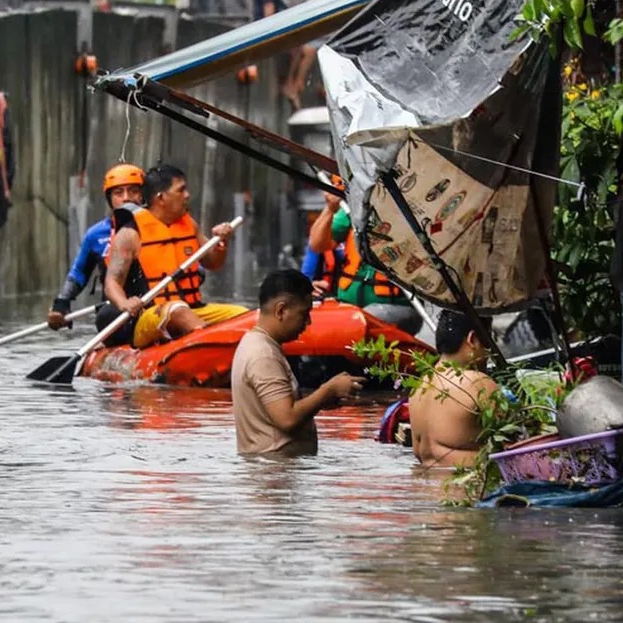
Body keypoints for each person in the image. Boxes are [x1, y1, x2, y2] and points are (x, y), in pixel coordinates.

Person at [101, 163, 248, 348]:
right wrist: (124, 303)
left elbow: (213, 263)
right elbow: (112, 283)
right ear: (161, 198)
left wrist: (221, 243)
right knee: (177, 311)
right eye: (181, 190)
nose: (187, 195)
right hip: (151, 314)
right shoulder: (130, 234)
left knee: (243, 314)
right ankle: (209, 344)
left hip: (194, 308)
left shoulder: (189, 225)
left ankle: (229, 345)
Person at [232, 270, 366, 456]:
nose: (308, 322)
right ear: (281, 310)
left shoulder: (256, 344)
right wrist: (327, 390)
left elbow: (277, 410)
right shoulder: (263, 355)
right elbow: (287, 419)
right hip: (275, 472)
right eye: (304, 313)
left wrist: (322, 401)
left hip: (274, 469)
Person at [307, 179, 423, 335]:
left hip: (398, 308)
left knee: (364, 318)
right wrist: (330, 209)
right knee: (317, 323)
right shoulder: (353, 210)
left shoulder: (410, 209)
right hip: (349, 308)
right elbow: (317, 244)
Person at [47, 164, 145, 329]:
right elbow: (79, 273)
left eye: (133, 191)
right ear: (109, 198)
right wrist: (61, 303)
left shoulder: (160, 226)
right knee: (108, 315)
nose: (126, 198)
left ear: (143, 195)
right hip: (116, 310)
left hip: (153, 304)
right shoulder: (96, 234)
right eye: (118, 193)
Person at [409, 309, 498, 469]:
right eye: (489, 343)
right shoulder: (478, 383)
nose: (489, 354)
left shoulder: (419, 385)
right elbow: (516, 438)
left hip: (425, 488)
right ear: (472, 339)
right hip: (467, 488)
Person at [252, 0, 317, 110]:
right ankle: (288, 85)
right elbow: (269, 10)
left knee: (309, 51)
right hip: (268, 27)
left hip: (282, 25)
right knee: (296, 44)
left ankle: (296, 85)